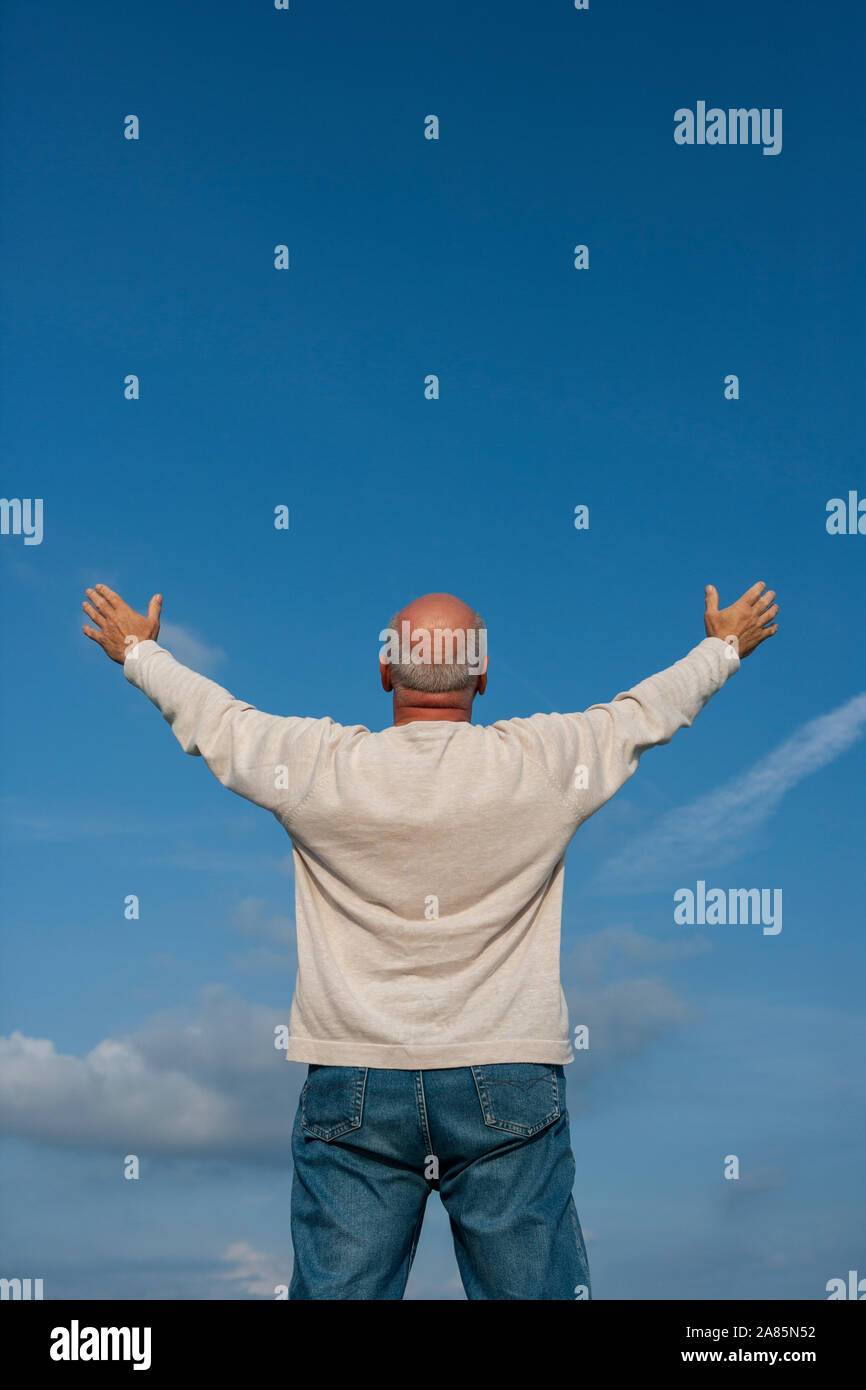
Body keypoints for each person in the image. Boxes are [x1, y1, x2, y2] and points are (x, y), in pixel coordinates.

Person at [81, 580, 779, 1300]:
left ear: (385, 672)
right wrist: (722, 646)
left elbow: (217, 721)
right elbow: (645, 713)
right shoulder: (543, 762)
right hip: (509, 1072)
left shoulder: (318, 765)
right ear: (482, 675)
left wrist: (137, 650)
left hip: (353, 1077)